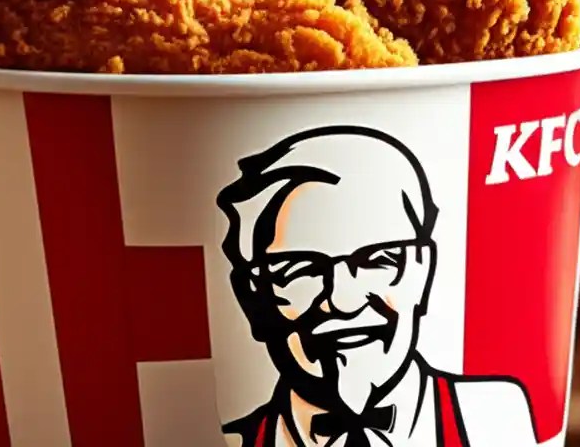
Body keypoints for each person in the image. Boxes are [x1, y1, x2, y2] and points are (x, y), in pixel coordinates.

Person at [216, 126, 539, 447]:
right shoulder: (217, 437)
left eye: (379, 260)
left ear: (423, 273)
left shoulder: (494, 418)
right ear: (251, 297)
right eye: (301, 269)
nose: (344, 300)